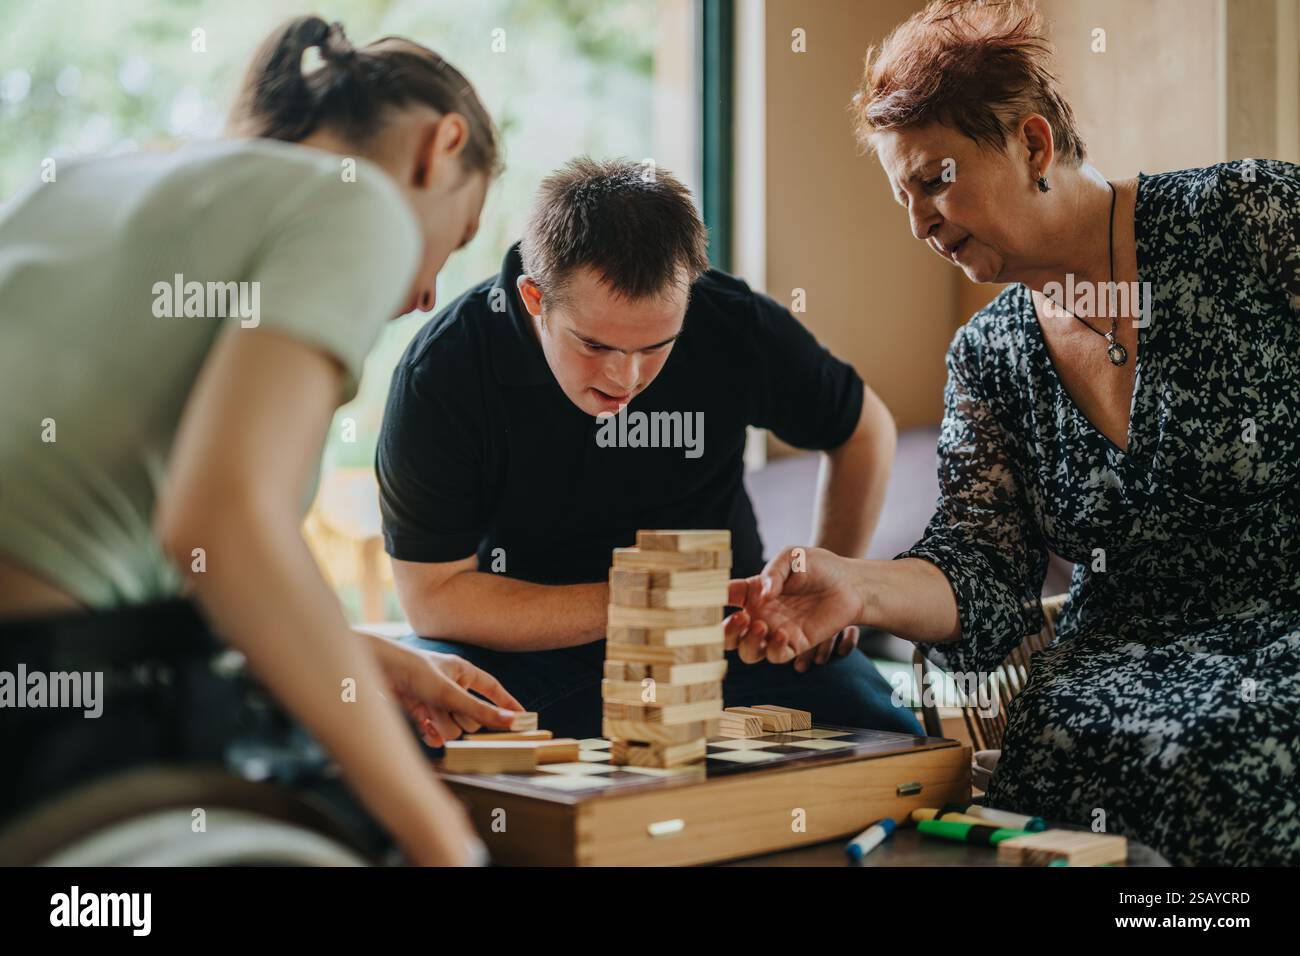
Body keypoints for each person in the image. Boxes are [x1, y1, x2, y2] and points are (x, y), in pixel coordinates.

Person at [730, 0, 1299, 865]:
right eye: (902, 196)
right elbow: (981, 570)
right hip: (1108, 678)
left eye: (934, 179)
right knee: (1053, 772)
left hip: (1281, 642)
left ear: (1032, 144)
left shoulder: (1250, 217)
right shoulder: (990, 356)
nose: (919, 221)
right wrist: (855, 585)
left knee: (1223, 753)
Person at [0, 16, 524, 865]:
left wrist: (362, 656)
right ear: (440, 146)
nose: (429, 294)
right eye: (457, 237)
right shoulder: (359, 202)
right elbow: (221, 523)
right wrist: (447, 844)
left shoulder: (109, 175)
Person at [375, 157, 921, 738]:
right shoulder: (446, 370)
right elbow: (433, 599)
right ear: (535, 300)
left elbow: (864, 430)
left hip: (728, 638)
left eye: (656, 345)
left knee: (887, 738)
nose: (625, 377)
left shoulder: (728, 320)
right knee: (414, 732)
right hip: (529, 654)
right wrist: (647, 597)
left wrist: (824, 585)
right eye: (594, 344)